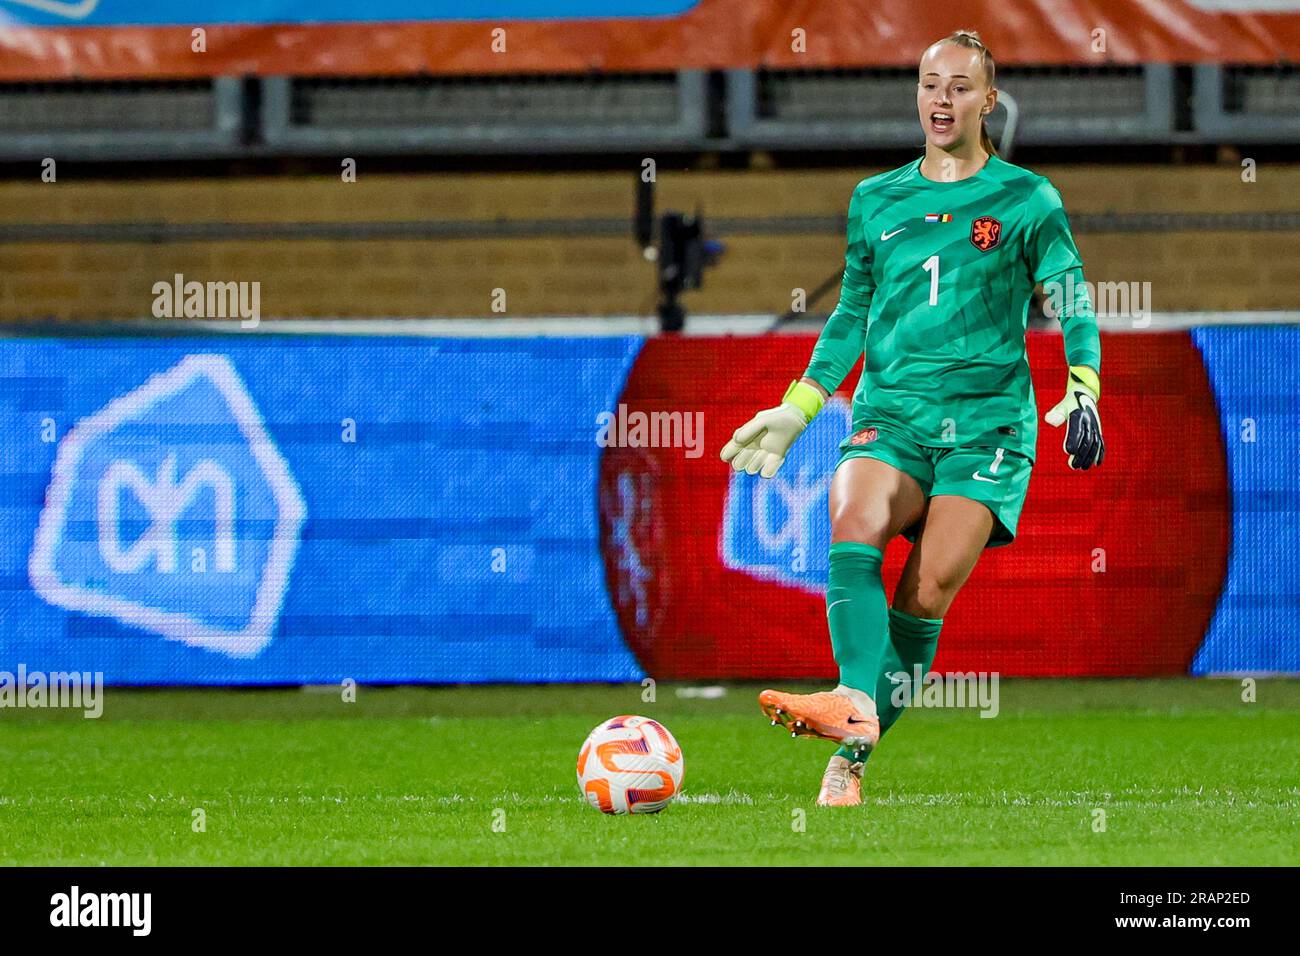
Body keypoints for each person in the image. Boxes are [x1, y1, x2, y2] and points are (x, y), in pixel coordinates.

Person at [720, 29, 1104, 807]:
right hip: (891, 414)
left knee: (925, 591)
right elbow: (849, 316)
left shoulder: (1028, 198)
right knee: (854, 515)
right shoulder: (876, 199)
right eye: (931, 83)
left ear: (988, 101)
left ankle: (851, 758)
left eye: (961, 86)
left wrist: (1085, 381)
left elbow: (1070, 294)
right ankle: (853, 701)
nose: (942, 98)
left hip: (989, 425)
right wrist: (798, 409)